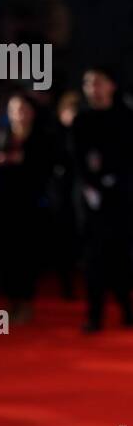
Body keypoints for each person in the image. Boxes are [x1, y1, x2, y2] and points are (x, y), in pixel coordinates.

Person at [0, 93, 53, 324]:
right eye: (13, 109)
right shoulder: (2, 135)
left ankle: (26, 302)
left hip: (29, 207)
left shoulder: (41, 137)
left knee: (26, 256)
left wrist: (22, 162)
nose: (17, 114)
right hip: (4, 205)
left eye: (21, 109)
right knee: (6, 255)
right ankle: (12, 301)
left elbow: (46, 170)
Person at [71, 66, 133, 332]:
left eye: (98, 82)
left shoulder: (127, 118)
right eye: (88, 83)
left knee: (122, 257)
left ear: (112, 85)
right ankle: (94, 314)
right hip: (90, 200)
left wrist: (113, 181)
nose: (93, 88)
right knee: (94, 258)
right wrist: (91, 185)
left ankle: (127, 306)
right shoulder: (81, 121)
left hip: (123, 199)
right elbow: (75, 158)